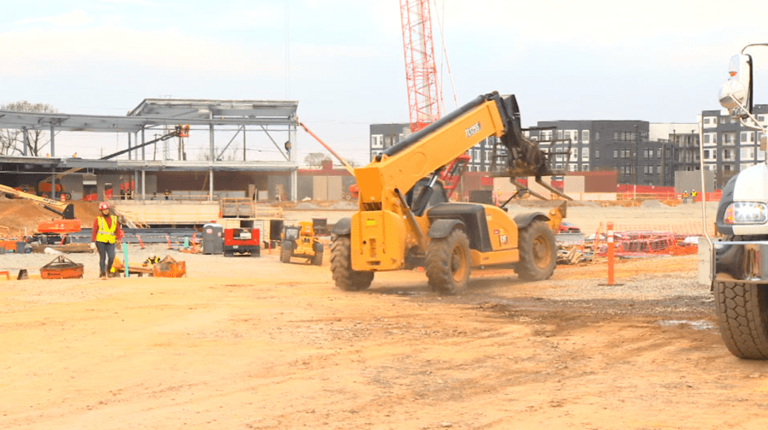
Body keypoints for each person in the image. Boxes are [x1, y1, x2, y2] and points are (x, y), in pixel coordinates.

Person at [92, 202, 124, 280]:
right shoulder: (98, 219)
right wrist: (92, 241)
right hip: (100, 241)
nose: (106, 211)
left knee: (111, 256)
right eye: (104, 210)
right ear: (101, 211)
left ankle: (109, 270)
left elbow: (117, 229)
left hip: (111, 241)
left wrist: (119, 239)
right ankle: (103, 274)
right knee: (102, 257)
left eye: (107, 209)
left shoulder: (114, 218)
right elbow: (94, 230)